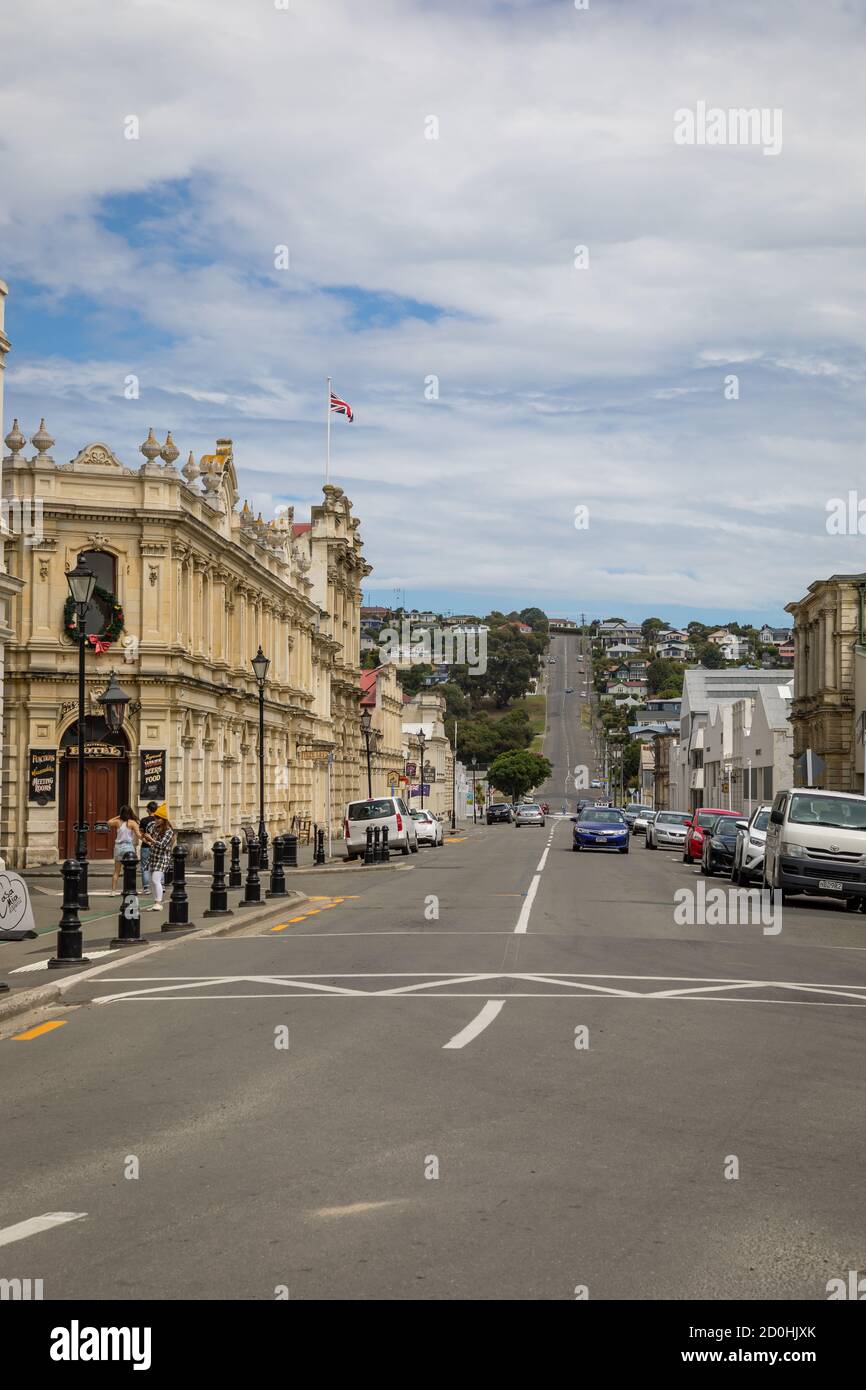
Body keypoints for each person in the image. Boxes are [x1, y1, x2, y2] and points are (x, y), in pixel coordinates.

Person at [146, 804, 175, 911]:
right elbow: (152, 840)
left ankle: (159, 903)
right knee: (151, 881)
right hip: (153, 856)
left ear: (163, 819)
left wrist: (152, 840)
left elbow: (162, 845)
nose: (156, 820)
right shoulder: (155, 827)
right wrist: (148, 840)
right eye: (155, 817)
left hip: (162, 857)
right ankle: (156, 902)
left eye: (158, 818)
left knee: (155, 879)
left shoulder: (168, 831)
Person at [108, 806, 143, 894]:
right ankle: (129, 889)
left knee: (116, 870)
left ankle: (113, 890)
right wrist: (146, 840)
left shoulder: (117, 822)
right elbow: (138, 835)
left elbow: (108, 822)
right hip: (128, 847)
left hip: (118, 847)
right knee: (130, 870)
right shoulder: (132, 823)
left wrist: (118, 816)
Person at [139, 800, 159, 894]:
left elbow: (141, 834)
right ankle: (161, 885)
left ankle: (146, 888)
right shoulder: (160, 820)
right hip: (157, 845)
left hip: (146, 846)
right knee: (158, 866)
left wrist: (147, 841)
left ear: (148, 810)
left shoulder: (143, 820)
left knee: (145, 867)